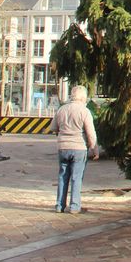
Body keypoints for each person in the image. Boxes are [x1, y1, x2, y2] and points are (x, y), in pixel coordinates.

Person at [50, 85, 99, 214]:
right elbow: (90, 133)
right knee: (76, 177)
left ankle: (59, 205)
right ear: (83, 98)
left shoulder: (62, 109)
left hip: (63, 147)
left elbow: (53, 127)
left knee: (62, 176)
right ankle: (74, 206)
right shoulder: (84, 111)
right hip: (79, 148)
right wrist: (94, 149)